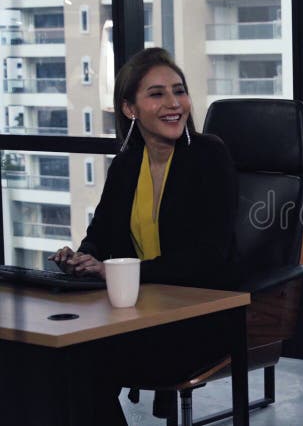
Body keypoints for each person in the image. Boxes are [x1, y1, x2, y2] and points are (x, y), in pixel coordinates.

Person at [46, 47, 238, 425]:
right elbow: (100, 235)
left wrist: (121, 271)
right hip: (138, 314)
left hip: (200, 319)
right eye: (156, 94)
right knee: (53, 355)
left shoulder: (209, 155)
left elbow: (209, 257)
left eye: (179, 91)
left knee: (82, 359)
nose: (174, 103)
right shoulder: (126, 164)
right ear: (129, 109)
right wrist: (84, 259)